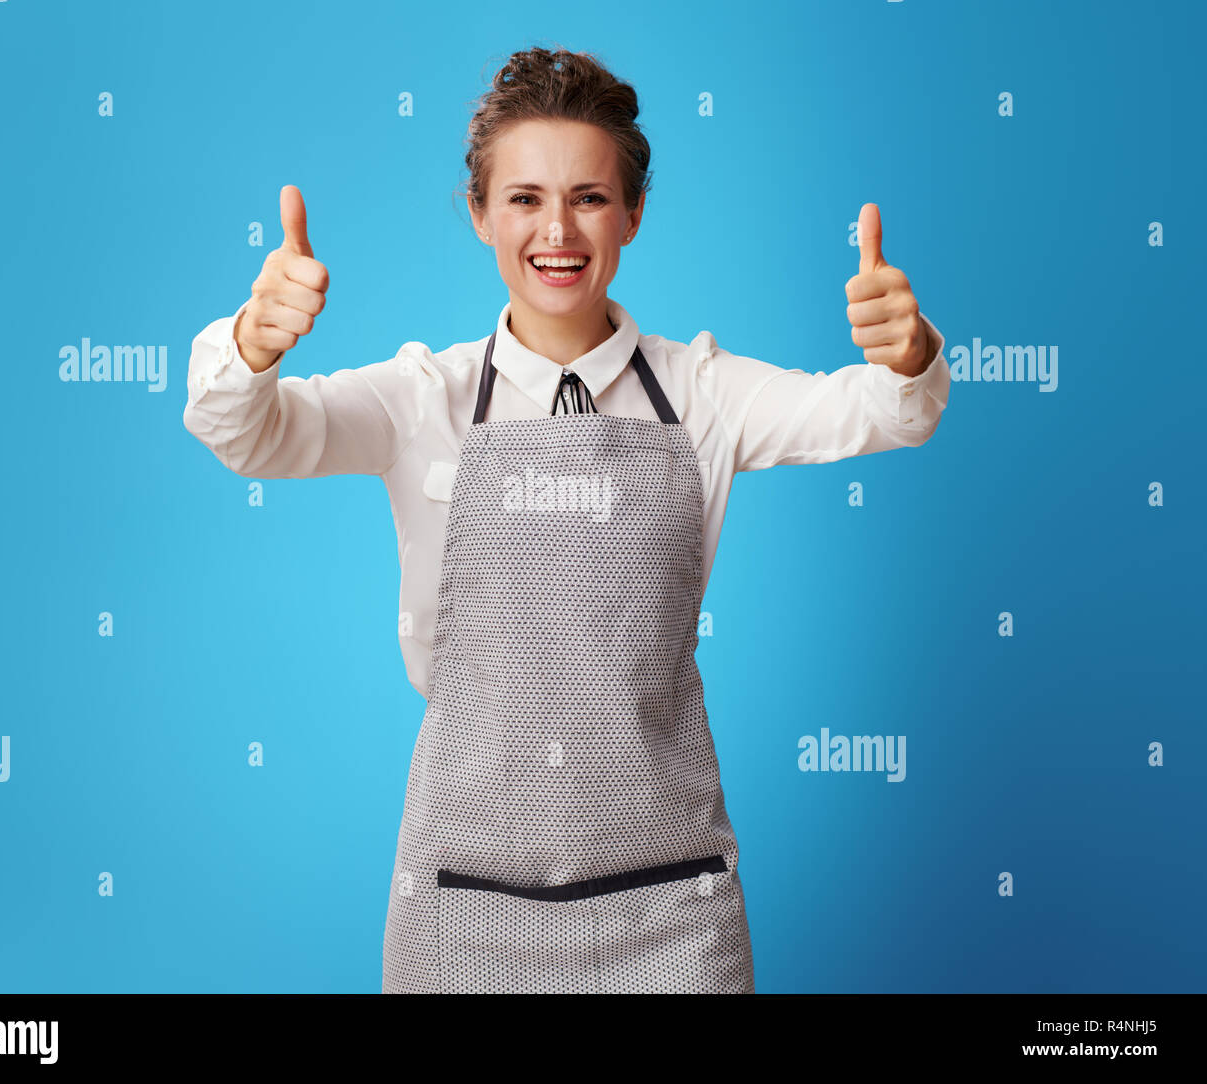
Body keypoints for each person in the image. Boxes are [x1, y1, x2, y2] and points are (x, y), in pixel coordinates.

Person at [183, 46, 950, 994]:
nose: (557, 229)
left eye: (589, 196)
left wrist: (908, 353)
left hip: (670, 912)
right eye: (524, 198)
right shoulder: (424, 397)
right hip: (464, 908)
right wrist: (251, 345)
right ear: (479, 214)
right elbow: (247, 434)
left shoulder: (701, 393)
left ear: (632, 213)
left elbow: (885, 412)